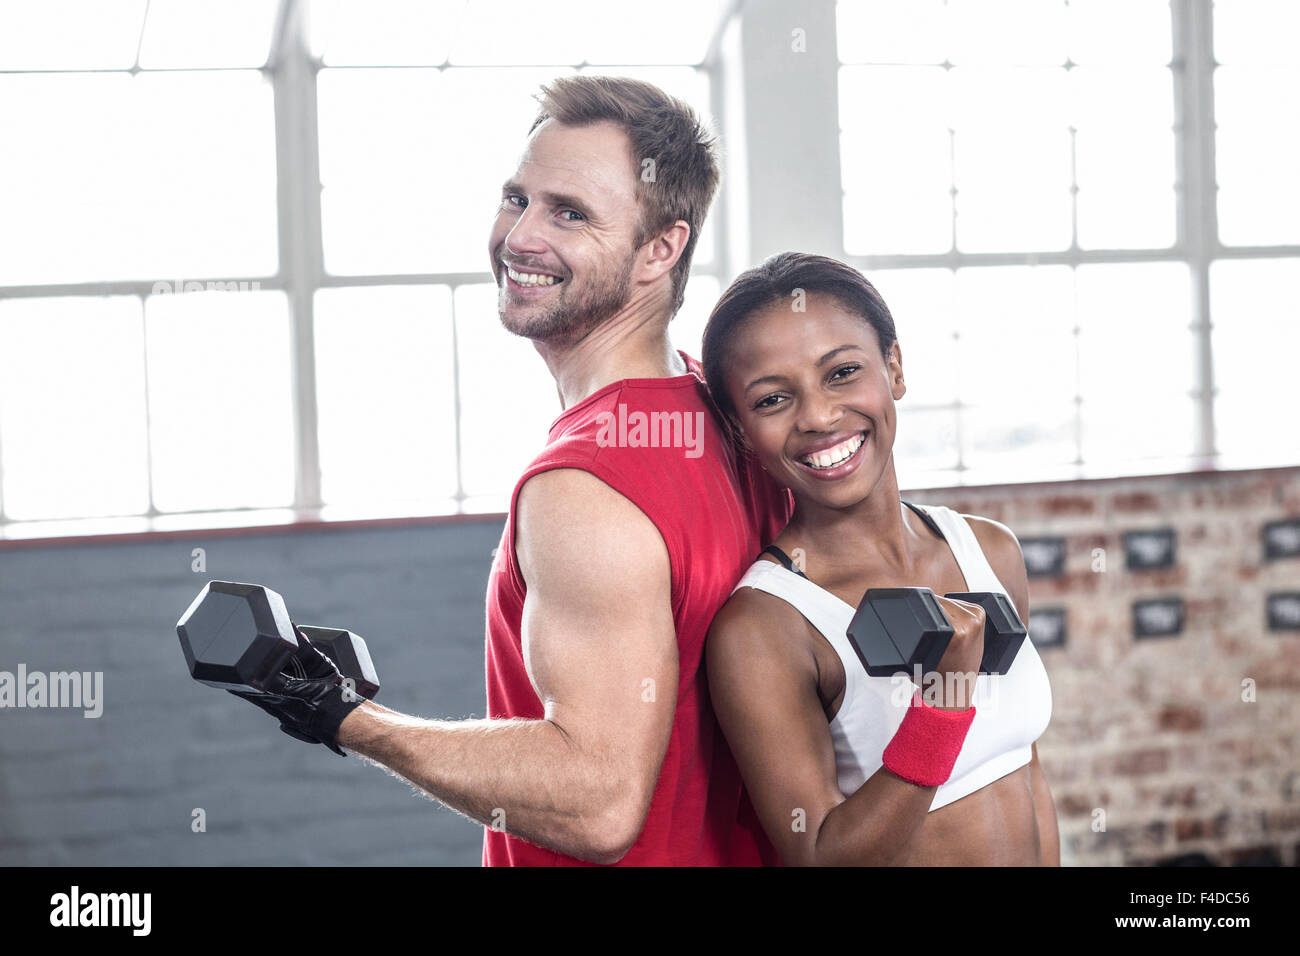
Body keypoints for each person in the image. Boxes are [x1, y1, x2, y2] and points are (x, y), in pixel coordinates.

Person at [222, 75, 791, 866]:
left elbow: (598, 805)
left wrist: (343, 716)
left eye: (570, 213)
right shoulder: (722, 411)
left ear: (662, 249)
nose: (520, 237)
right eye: (516, 197)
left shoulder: (583, 488)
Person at [701, 252, 1058, 865]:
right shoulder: (765, 627)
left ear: (893, 367)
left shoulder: (989, 551)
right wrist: (941, 706)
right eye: (771, 400)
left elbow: (1027, 771)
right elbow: (817, 854)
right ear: (739, 432)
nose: (817, 416)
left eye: (841, 372)